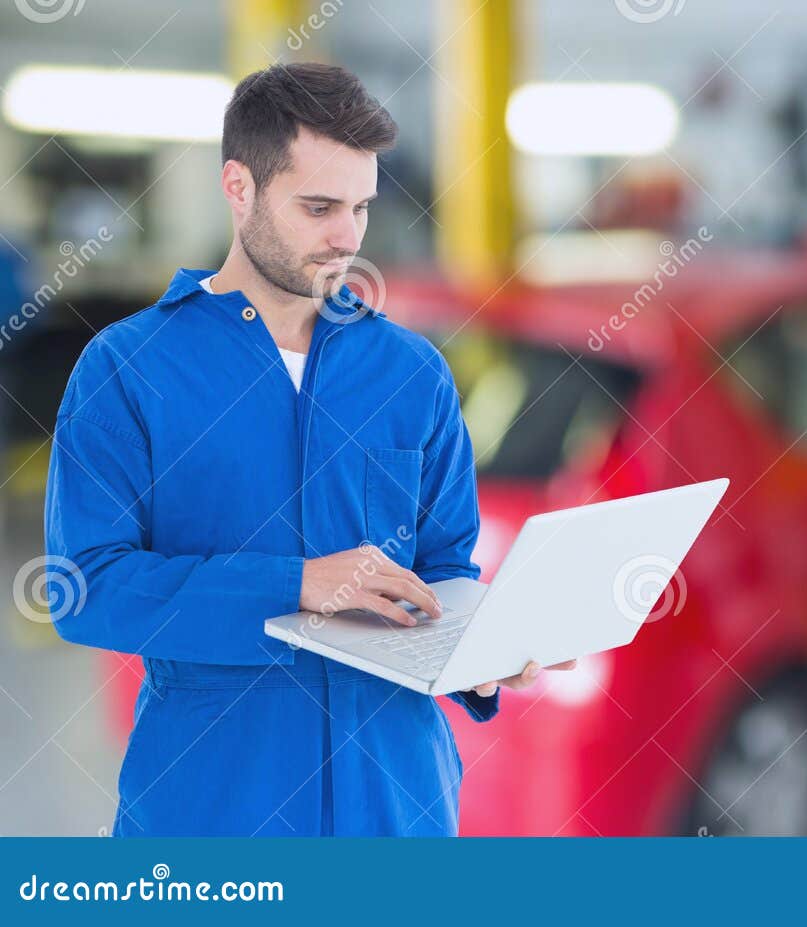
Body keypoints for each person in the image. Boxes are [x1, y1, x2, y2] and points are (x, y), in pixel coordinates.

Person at [43, 62, 570, 836]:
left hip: (398, 807)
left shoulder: (411, 372)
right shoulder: (129, 369)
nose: (347, 237)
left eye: (360, 206)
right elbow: (85, 586)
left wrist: (481, 654)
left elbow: (443, 572)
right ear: (239, 187)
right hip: (215, 813)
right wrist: (294, 584)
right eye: (318, 206)